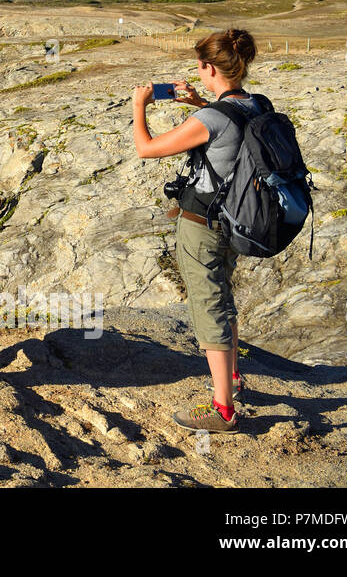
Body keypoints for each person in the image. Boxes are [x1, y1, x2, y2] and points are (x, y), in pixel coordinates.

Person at [132, 27, 261, 433]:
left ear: (209, 68)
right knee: (222, 296)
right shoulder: (255, 104)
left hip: (203, 225)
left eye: (200, 67)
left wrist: (140, 106)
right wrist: (199, 102)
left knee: (208, 306)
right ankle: (233, 379)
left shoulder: (209, 118)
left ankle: (222, 409)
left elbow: (146, 147)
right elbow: (230, 128)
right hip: (236, 220)